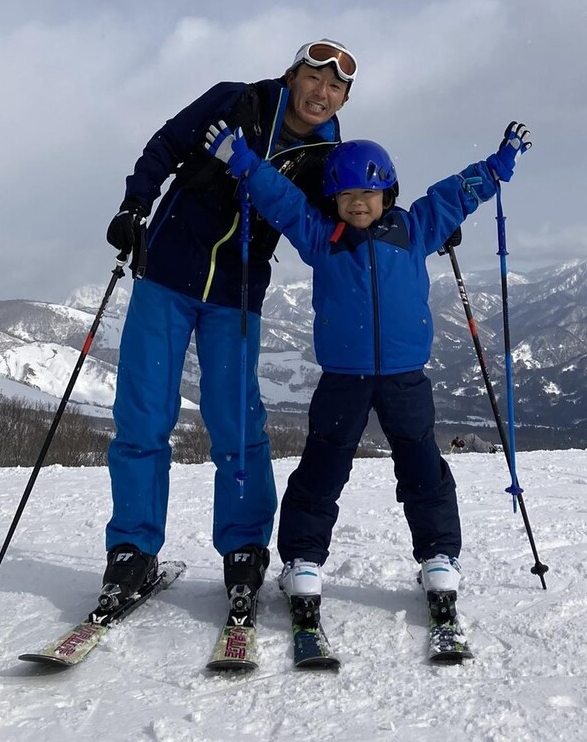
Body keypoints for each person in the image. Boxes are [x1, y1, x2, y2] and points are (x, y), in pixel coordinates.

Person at [203, 120, 531, 610]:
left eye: (369, 192)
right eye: (346, 194)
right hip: (343, 381)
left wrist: (496, 167)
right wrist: (246, 164)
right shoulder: (322, 236)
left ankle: (439, 555)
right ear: (332, 200)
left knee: (422, 467)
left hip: (405, 380)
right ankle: (303, 559)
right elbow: (284, 202)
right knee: (322, 469)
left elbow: (453, 197)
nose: (358, 202)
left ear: (387, 193)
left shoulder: (415, 228)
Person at [97, 39, 356, 612]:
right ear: (291, 76)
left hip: (236, 297)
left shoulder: (327, 154)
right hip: (164, 277)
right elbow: (166, 143)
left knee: (237, 424)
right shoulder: (236, 101)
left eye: (336, 88)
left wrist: (406, 228)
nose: (323, 93)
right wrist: (135, 203)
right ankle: (132, 552)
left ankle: (244, 548)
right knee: (142, 417)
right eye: (316, 78)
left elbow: (349, 210)